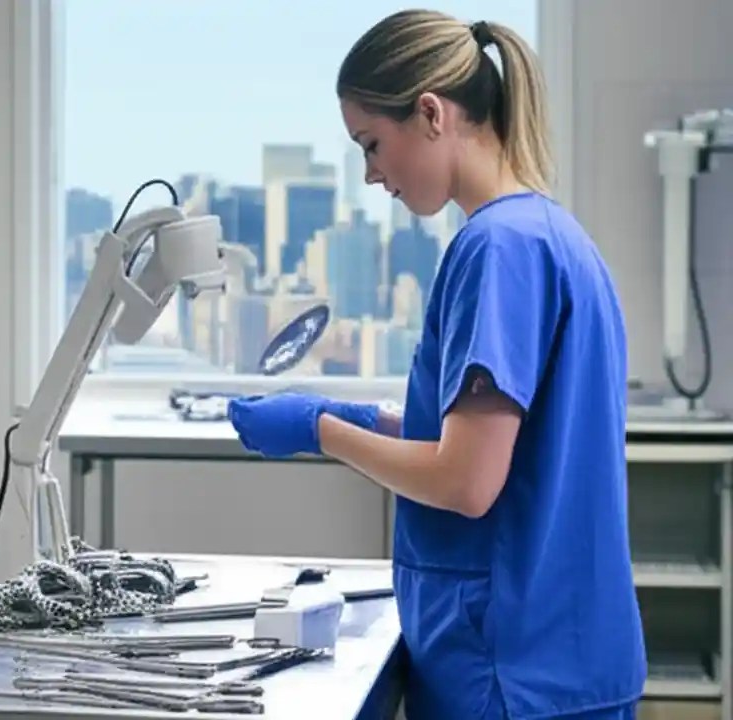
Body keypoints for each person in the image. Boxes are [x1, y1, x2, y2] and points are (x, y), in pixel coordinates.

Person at [227, 9, 646, 720]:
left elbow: (468, 482)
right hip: (565, 657)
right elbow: (513, 447)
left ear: (429, 113)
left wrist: (321, 430)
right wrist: (378, 420)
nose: (370, 174)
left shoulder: (497, 250)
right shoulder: (554, 234)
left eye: (372, 144)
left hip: (509, 670)